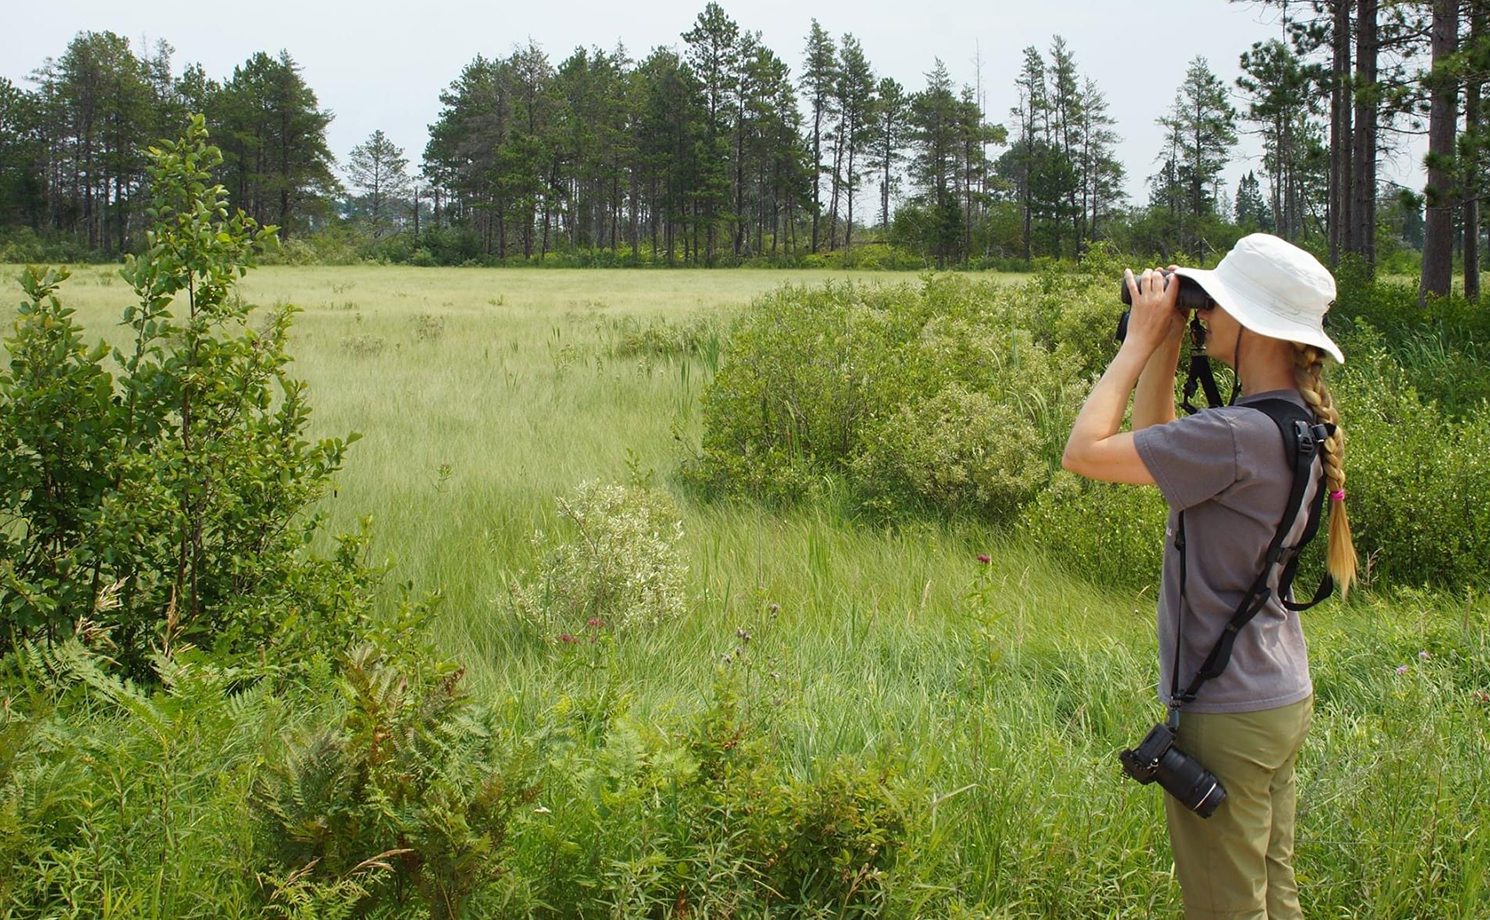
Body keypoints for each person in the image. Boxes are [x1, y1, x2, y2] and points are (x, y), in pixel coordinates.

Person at [1061, 233, 1357, 920]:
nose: (1205, 314)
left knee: (1227, 907)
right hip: (1276, 693)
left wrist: (1137, 344)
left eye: (1215, 303)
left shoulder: (1234, 435)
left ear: (1256, 325)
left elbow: (1084, 452)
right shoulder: (1292, 423)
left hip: (1228, 711)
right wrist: (1169, 344)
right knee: (1272, 891)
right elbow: (1161, 448)